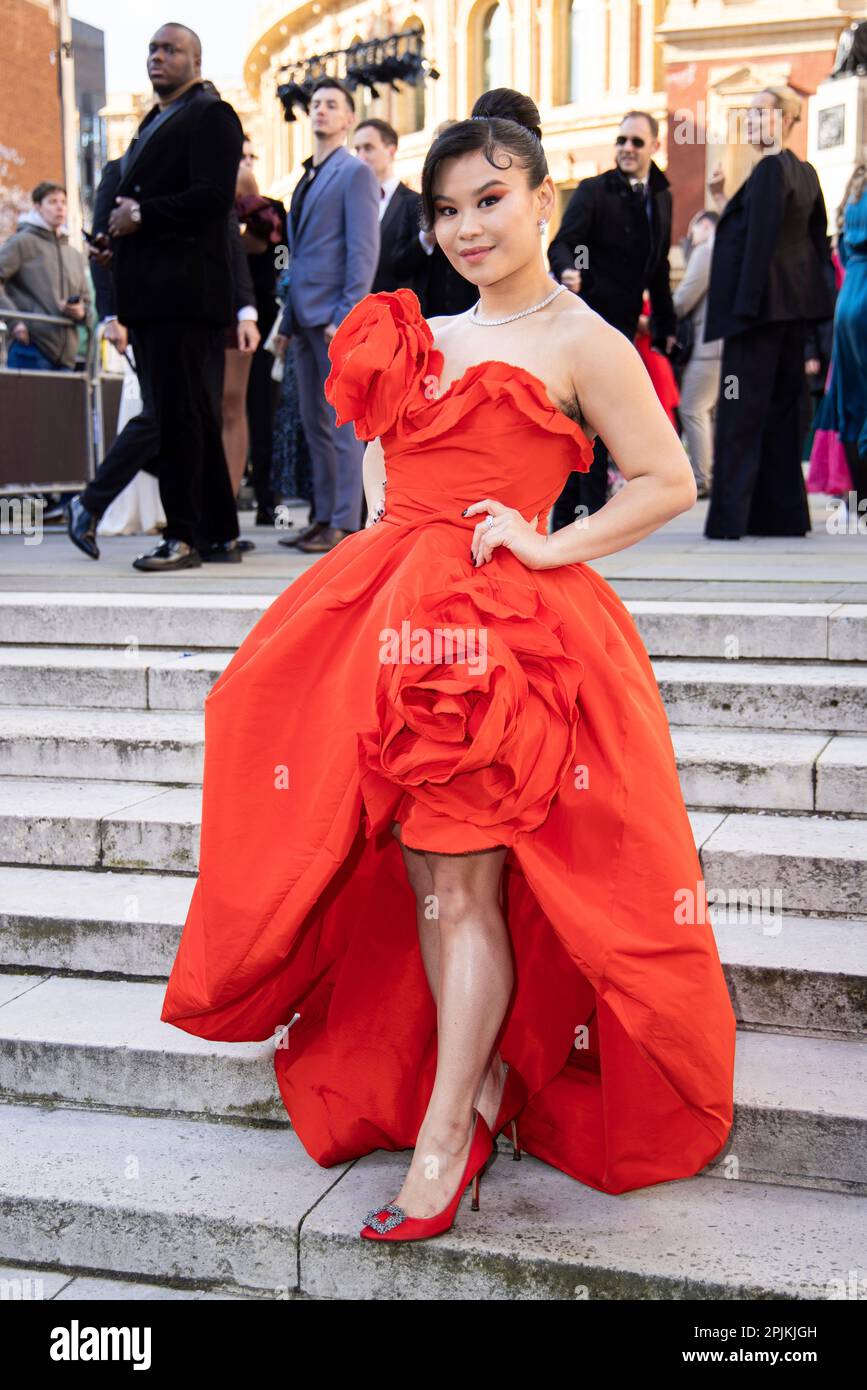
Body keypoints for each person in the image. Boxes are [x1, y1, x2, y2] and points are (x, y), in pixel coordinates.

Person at [161, 88, 735, 1243]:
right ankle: (467, 1083)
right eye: (449, 209)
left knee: (465, 883)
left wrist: (547, 540)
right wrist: (386, 559)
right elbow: (382, 475)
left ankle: (444, 1134)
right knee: (429, 876)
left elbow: (669, 478)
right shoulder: (419, 330)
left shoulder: (585, 338)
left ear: (541, 200)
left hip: (497, 652)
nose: (470, 227)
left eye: (492, 200)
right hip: (386, 626)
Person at [80, 22, 244, 572]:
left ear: (195, 59)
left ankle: (181, 537)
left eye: (170, 49)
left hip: (184, 294)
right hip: (153, 293)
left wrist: (143, 215)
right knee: (191, 413)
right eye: (152, 49)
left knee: (175, 418)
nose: (158, 57)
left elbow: (215, 198)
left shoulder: (210, 114)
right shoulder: (154, 120)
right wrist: (116, 243)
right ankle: (218, 533)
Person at [702, 86, 834, 539]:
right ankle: (783, 518)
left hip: (756, 316)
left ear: (784, 120)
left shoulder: (768, 172)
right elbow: (816, 246)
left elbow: (757, 246)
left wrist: (742, 310)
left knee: (739, 414)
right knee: (783, 415)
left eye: (760, 114)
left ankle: (728, 521)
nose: (752, 122)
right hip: (790, 316)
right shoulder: (806, 172)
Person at [548, 109, 676, 524]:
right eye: (621, 140)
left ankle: (597, 518)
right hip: (587, 321)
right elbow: (563, 243)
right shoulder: (594, 190)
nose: (626, 148)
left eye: (636, 142)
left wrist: (665, 328)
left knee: (610, 422)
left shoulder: (661, 196)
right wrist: (570, 269)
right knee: (580, 421)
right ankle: (570, 519)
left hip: (622, 327)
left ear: (654, 147)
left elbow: (657, 270)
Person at [273, 78, 380, 554]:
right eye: (315, 104)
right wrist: (287, 319)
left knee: (340, 423)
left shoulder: (355, 173)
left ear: (348, 119)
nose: (320, 111)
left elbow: (363, 250)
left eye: (332, 105)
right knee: (313, 423)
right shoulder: (308, 175)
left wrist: (347, 313)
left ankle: (345, 521)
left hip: (334, 318)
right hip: (302, 316)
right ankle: (322, 517)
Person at [0, 180, 91, 520]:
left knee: (63, 428)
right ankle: (28, 501)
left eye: (63, 201)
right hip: (31, 348)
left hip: (66, 351)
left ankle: (63, 500)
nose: (59, 207)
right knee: (29, 426)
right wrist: (15, 322)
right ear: (37, 206)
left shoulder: (71, 252)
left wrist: (81, 312)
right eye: (52, 201)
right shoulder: (22, 243)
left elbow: (88, 300)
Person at [388, 119, 480, 318]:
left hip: (473, 312)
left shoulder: (479, 204)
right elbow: (398, 266)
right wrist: (425, 240)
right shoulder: (412, 205)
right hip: (427, 318)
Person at [816, 164, 867, 515]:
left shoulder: (856, 194)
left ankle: (861, 501)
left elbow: (845, 255)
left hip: (849, 298)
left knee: (850, 402)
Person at [672, 210, 723, 497]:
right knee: (710, 411)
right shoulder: (728, 252)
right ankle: (711, 472)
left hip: (707, 346)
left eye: (692, 233)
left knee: (692, 407)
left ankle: (702, 478)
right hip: (723, 344)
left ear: (705, 226)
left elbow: (683, 299)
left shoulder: (706, 252)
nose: (690, 239)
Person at [352, 117, 426, 300]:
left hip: (398, 314)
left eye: (368, 148)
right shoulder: (350, 205)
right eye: (357, 149)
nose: (361, 157)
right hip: (355, 315)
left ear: (391, 151)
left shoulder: (415, 203)